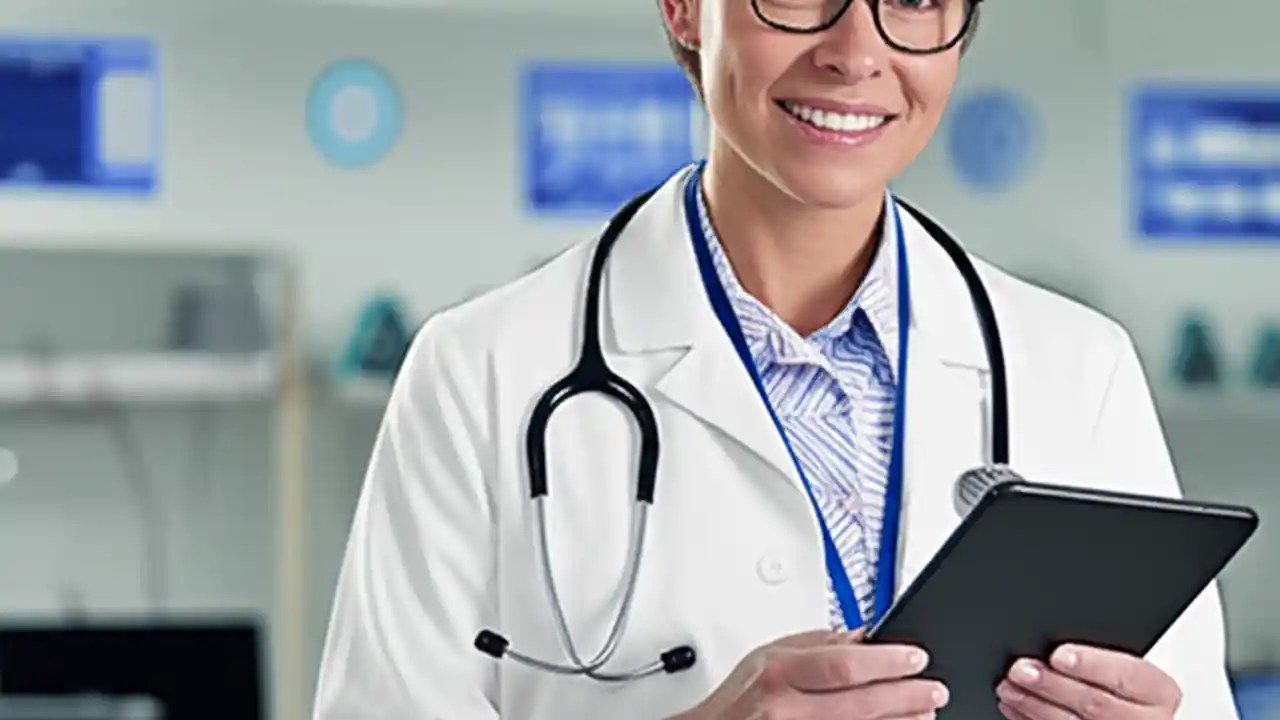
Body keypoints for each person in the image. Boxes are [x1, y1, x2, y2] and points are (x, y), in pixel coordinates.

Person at [313, 0, 1239, 718]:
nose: (855, 50)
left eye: (914, 0)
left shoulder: (1079, 371)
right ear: (684, 8)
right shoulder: (481, 372)